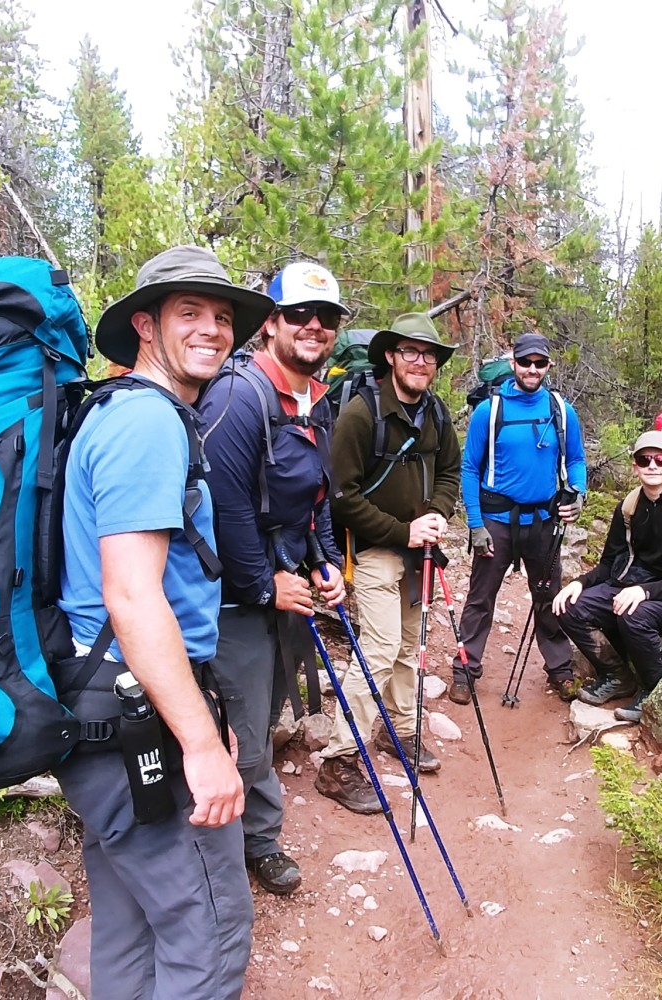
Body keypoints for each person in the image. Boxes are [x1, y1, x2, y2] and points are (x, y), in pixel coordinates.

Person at [55, 245, 272, 1000]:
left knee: (129, 926)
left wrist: (204, 711)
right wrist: (202, 744)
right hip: (132, 720)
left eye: (222, 316)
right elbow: (132, 595)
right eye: (190, 313)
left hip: (104, 715)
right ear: (145, 325)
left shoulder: (115, 413)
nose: (213, 329)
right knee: (207, 935)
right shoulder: (148, 424)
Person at [199, 261, 348, 896]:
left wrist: (324, 559)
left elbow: (313, 496)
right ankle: (216, 857)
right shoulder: (240, 397)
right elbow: (225, 507)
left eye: (327, 317)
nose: (313, 326)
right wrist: (265, 586)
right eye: (298, 314)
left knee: (260, 721)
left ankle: (257, 840)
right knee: (239, 725)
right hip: (235, 598)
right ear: (270, 323)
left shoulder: (313, 400)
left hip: (283, 579)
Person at [319, 312, 461, 813]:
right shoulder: (362, 414)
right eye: (410, 352)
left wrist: (438, 514)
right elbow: (342, 496)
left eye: (429, 355)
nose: (420, 362)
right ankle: (337, 760)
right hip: (378, 551)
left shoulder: (437, 414)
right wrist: (404, 530)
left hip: (420, 551)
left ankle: (400, 732)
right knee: (379, 651)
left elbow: (449, 471)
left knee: (408, 648)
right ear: (390, 357)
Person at [449, 332, 587, 705]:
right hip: (496, 521)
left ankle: (560, 669)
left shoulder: (561, 409)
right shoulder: (488, 411)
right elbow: (468, 469)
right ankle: (464, 670)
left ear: (548, 366)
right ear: (513, 363)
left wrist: (577, 493)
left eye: (539, 363)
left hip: (544, 522)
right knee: (480, 599)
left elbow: (575, 459)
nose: (532, 369)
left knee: (549, 597)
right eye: (525, 361)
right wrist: (475, 525)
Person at [552, 430, 662, 722]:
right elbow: (609, 564)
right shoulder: (630, 506)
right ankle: (617, 675)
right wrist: (578, 583)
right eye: (645, 459)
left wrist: (644, 592)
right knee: (569, 607)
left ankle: (653, 690)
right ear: (635, 466)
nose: (653, 465)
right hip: (635, 586)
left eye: (661, 459)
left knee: (634, 614)